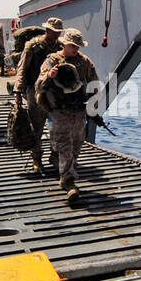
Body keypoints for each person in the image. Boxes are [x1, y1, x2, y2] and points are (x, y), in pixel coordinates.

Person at [35, 28, 99, 206]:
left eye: (77, 46)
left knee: (77, 143)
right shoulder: (51, 61)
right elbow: (38, 87)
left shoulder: (85, 62)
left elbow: (95, 84)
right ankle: (69, 181)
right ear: (65, 44)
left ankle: (58, 160)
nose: (75, 49)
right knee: (66, 146)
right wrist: (49, 76)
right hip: (59, 110)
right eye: (72, 46)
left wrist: (92, 106)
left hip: (78, 110)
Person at [14, 17, 63, 173]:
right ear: (47, 30)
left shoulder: (61, 46)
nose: (56, 35)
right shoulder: (33, 46)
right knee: (37, 126)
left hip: (55, 91)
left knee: (58, 125)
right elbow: (22, 69)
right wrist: (18, 91)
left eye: (58, 32)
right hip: (36, 90)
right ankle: (37, 158)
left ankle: (55, 156)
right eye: (54, 32)